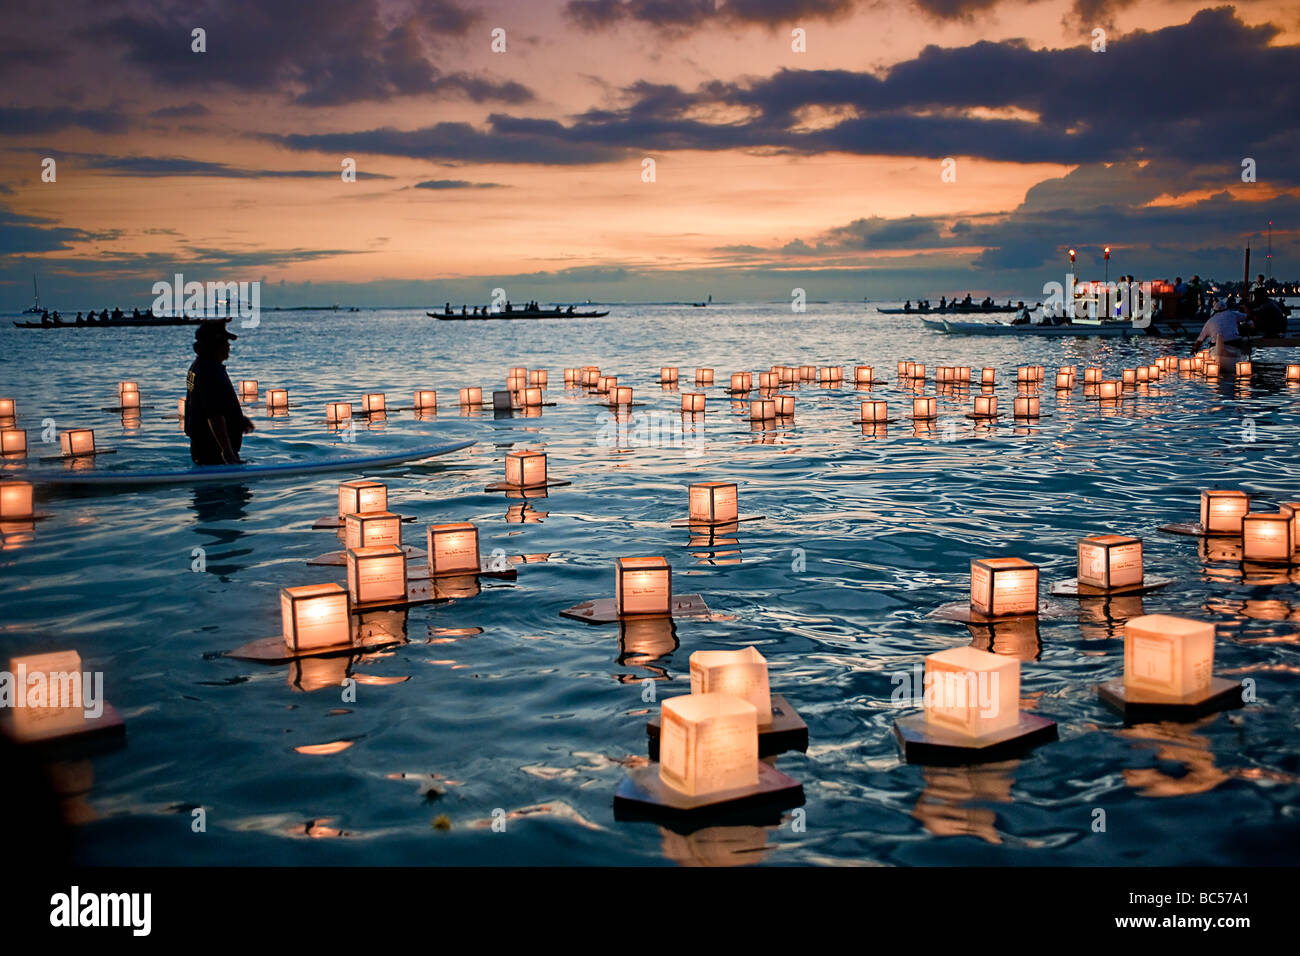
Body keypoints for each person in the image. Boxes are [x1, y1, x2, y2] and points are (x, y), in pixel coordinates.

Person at [184, 321, 254, 466]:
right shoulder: (208, 371)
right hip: (213, 453)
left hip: (206, 449)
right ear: (214, 345)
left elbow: (207, 405)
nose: (229, 346)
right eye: (225, 342)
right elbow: (213, 415)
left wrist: (237, 419)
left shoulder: (201, 366)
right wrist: (227, 453)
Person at [1193, 297, 1252, 365]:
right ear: (1226, 308)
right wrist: (1246, 309)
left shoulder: (1209, 321)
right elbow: (1248, 317)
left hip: (1215, 346)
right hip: (1234, 344)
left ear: (1214, 311)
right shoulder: (1233, 314)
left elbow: (1199, 341)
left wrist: (1194, 351)